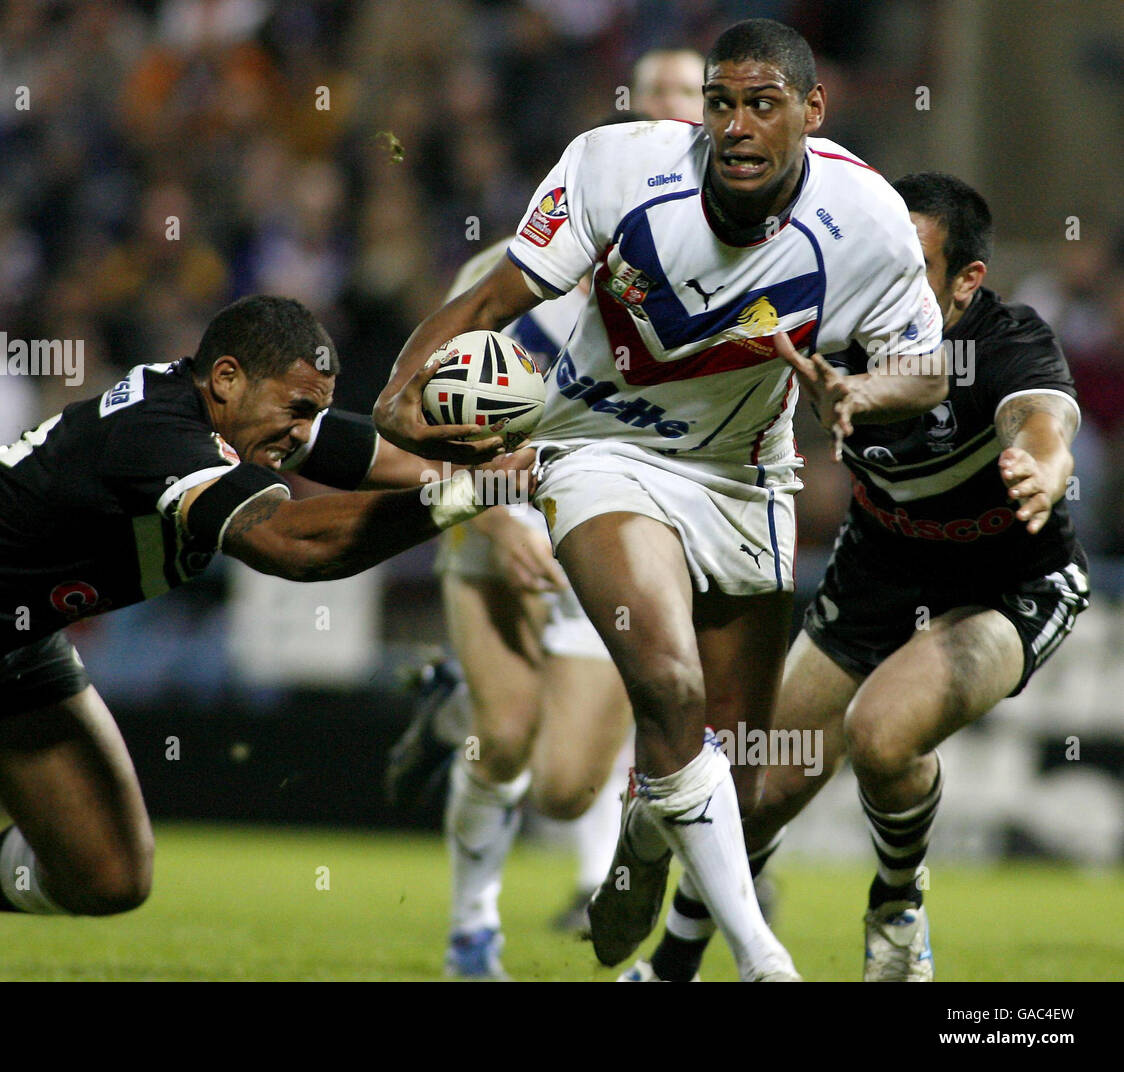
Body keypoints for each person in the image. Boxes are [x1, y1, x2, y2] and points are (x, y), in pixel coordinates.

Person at [374, 18, 948, 981]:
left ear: (811, 111)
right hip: (600, 450)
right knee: (664, 690)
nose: (729, 124)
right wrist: (401, 391)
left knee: (728, 765)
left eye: (757, 103)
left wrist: (861, 391)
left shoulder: (870, 222)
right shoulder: (608, 172)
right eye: (717, 102)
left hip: (742, 474)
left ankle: (642, 841)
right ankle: (761, 959)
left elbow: (925, 369)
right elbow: (484, 305)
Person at [0, 294, 530, 982]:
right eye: (297, 410)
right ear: (225, 378)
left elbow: (366, 453)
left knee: (109, 874)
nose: (301, 433)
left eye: (313, 411)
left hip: (7, 641)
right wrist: (462, 495)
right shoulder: (158, 431)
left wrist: (494, 471)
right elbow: (292, 547)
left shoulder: (239, 412)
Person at [629, 173, 1089, 982]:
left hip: (1008, 586)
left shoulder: (1004, 342)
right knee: (756, 789)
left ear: (966, 281)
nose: (885, 281)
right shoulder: (826, 323)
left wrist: (1044, 468)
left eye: (910, 264)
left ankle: (897, 914)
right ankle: (673, 963)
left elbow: (1043, 421)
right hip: (880, 575)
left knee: (881, 733)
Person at [390, 50, 708, 980]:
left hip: (613, 529)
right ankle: (470, 932)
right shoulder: (521, 259)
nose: (663, 112)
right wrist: (488, 517)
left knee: (568, 791)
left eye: (684, 97)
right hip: (502, 519)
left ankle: (451, 709)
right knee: (507, 739)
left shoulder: (714, 271)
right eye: (649, 94)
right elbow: (423, 407)